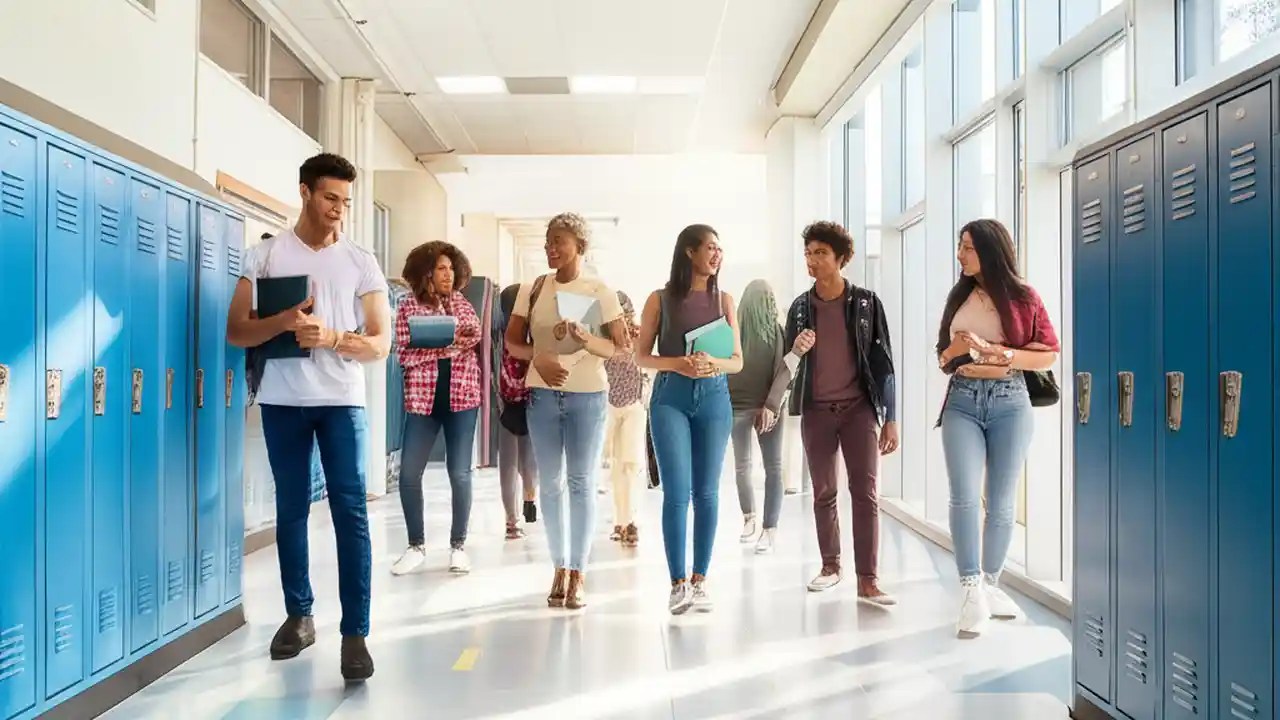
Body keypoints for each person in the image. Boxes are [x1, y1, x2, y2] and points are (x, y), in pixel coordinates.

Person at [225, 152, 389, 681]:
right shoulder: (263, 257)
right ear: (304, 192)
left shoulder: (362, 261)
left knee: (350, 513)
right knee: (291, 511)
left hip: (342, 400)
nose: (338, 209)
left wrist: (335, 337)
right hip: (283, 400)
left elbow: (380, 343)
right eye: (329, 198)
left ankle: (355, 633)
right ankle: (300, 616)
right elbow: (236, 331)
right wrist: (282, 322)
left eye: (345, 201)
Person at [934, 218, 1059, 638]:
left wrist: (1000, 353)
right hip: (963, 400)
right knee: (964, 495)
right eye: (959, 246)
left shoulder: (1025, 297)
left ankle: (990, 583)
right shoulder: (959, 296)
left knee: (1002, 502)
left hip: (1010, 402)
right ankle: (970, 589)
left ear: (990, 250)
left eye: (967, 247)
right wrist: (962, 346)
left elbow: (1047, 355)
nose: (960, 254)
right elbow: (943, 357)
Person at [504, 213, 628, 610]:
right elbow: (512, 344)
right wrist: (538, 357)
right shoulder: (534, 288)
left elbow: (619, 349)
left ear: (580, 245)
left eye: (559, 241)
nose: (551, 248)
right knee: (551, 485)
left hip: (587, 397)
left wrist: (586, 337)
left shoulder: (599, 291)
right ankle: (559, 566)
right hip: (541, 396)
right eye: (547, 242)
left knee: (581, 482)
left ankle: (578, 570)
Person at [784, 221, 898, 604]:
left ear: (840, 259)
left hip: (859, 412)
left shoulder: (866, 303)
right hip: (816, 411)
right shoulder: (800, 308)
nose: (812, 260)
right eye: (808, 252)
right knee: (823, 492)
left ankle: (868, 579)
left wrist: (891, 417)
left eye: (820, 253)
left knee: (865, 493)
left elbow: (884, 365)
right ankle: (830, 566)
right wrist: (797, 349)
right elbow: (785, 367)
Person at [636, 224, 742, 615]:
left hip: (715, 398)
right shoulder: (659, 299)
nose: (716, 255)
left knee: (708, 492)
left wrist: (713, 362)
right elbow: (641, 357)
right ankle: (676, 583)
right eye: (710, 247)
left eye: (720, 248)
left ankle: (700, 581)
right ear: (688, 253)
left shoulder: (726, 300)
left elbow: (738, 361)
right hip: (670, 398)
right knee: (676, 493)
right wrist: (680, 363)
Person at [390, 241, 481, 576]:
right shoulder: (407, 307)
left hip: (463, 399)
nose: (448, 274)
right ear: (426, 272)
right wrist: (447, 346)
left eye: (451, 268)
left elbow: (474, 334)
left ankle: (458, 547)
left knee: (460, 473)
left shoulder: (461, 303)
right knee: (409, 473)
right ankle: (416, 545)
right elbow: (405, 353)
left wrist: (431, 342)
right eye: (441, 268)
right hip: (422, 401)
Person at [726, 279, 794, 555]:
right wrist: (771, 405)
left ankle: (751, 520)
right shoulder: (777, 333)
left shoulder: (734, 334)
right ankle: (767, 529)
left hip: (743, 408)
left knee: (744, 466)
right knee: (773, 468)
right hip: (766, 409)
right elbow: (785, 371)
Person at [602, 291, 647, 548]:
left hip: (633, 405)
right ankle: (620, 521)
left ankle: (630, 521)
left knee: (630, 466)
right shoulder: (599, 335)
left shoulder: (637, 333)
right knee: (616, 468)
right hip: (608, 404)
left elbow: (647, 361)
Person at [497, 283, 539, 538]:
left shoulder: (502, 336)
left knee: (516, 464)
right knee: (520, 463)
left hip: (518, 402)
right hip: (517, 403)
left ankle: (521, 513)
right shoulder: (506, 336)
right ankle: (518, 515)